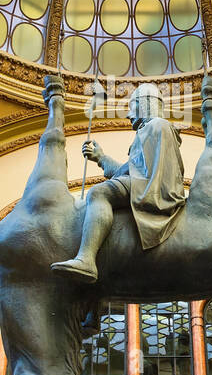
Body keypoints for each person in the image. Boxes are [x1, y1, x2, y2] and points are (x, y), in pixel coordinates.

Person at [51, 83, 186, 283]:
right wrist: (100, 157)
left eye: (133, 107)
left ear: (145, 105)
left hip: (153, 188)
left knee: (98, 193)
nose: (129, 115)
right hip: (146, 183)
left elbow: (133, 172)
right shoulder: (155, 128)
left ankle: (87, 259)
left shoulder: (156, 126)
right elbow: (131, 169)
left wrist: (102, 159)